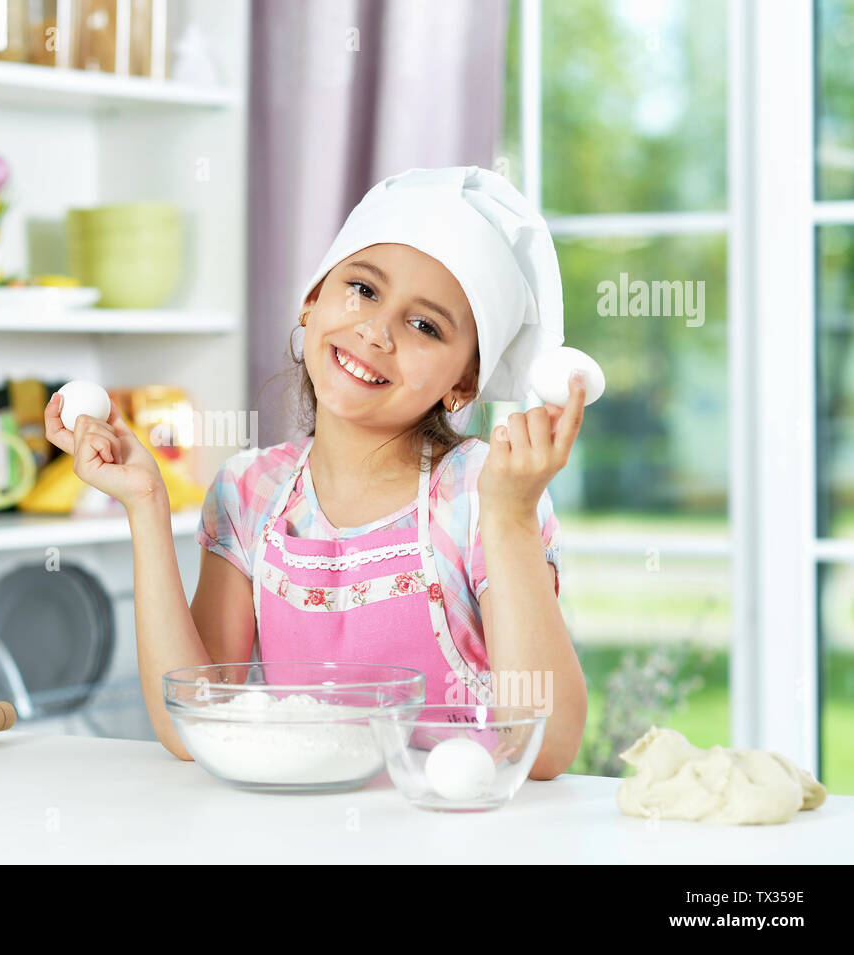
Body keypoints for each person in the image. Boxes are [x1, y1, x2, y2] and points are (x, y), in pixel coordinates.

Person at [43, 166, 588, 779]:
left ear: (464, 383)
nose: (375, 331)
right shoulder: (249, 492)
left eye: (425, 325)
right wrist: (145, 504)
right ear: (313, 298)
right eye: (363, 288)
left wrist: (512, 518)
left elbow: (547, 747)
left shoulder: (484, 491)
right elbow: (191, 725)